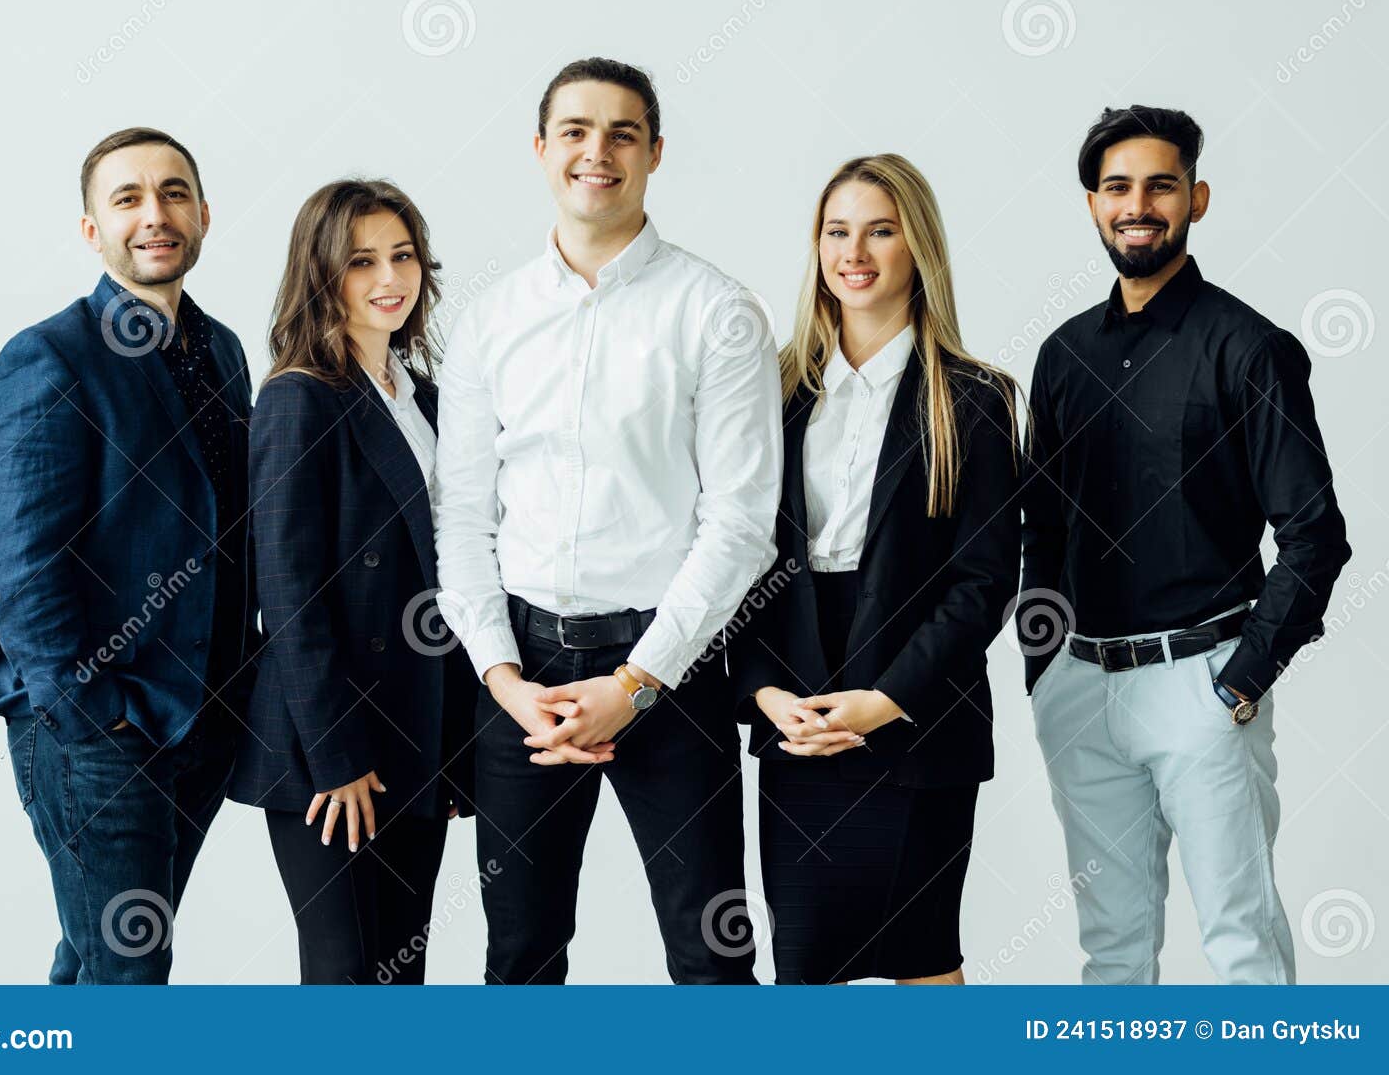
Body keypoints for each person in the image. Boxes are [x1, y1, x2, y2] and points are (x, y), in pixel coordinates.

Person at [432, 57, 782, 983]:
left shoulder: (719, 311)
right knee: (520, 956)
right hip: (522, 677)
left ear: (656, 153)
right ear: (541, 150)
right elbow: (463, 517)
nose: (599, 153)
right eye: (576, 132)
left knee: (712, 960)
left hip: (671, 670)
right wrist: (504, 682)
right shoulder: (488, 319)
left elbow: (742, 524)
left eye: (623, 133)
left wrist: (636, 682)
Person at [1019, 105, 1352, 984]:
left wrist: (1237, 685)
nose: (1139, 204)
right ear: (1092, 204)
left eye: (1161, 185)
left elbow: (1316, 536)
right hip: (1081, 693)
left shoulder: (1248, 348)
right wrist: (1043, 669)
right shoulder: (1062, 357)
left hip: (1201, 683)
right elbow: (1041, 529)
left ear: (1196, 199)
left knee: (1241, 943)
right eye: (1118, 187)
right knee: (1112, 951)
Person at [0, 127, 258, 983]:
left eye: (173, 194)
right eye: (127, 198)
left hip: (200, 721)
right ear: (93, 230)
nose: (153, 214)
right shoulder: (51, 355)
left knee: (99, 959)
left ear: (203, 215)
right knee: (129, 973)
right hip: (98, 726)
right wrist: (94, 707)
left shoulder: (226, 351)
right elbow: (24, 565)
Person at [731, 154, 1020, 985]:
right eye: (836, 231)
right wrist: (766, 694)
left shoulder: (975, 398)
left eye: (880, 230)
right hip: (798, 714)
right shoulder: (771, 393)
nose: (854, 251)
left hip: (918, 718)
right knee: (805, 967)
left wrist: (885, 700)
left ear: (917, 246)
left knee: (925, 959)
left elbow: (983, 583)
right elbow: (734, 565)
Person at [228, 179, 475, 984]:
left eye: (402, 255)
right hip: (326, 746)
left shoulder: (430, 397)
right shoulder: (298, 397)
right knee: (341, 977)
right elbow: (289, 592)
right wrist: (337, 754)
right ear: (321, 273)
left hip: (418, 728)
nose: (388, 278)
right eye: (361, 260)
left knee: (402, 975)